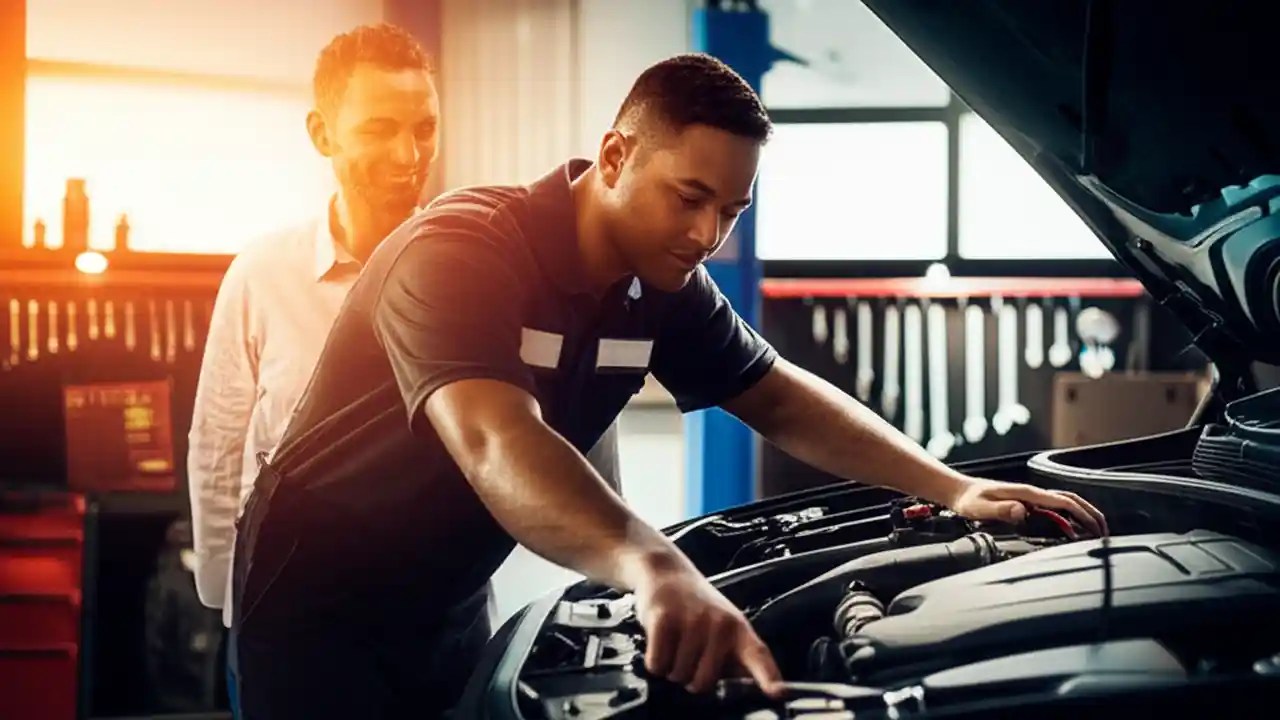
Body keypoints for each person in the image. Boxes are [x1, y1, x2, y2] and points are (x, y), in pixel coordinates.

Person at [229, 53, 1108, 719]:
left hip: (449, 594)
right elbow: (496, 438)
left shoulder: (666, 284)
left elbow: (775, 391)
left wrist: (951, 484)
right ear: (615, 155)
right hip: (317, 597)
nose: (707, 233)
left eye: (731, 210)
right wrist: (656, 564)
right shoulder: (461, 252)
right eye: (689, 196)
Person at [186, 22, 621, 716]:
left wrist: (611, 567)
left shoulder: (491, 271)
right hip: (298, 607)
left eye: (424, 128)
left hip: (445, 612)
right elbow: (218, 443)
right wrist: (229, 599)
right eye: (379, 129)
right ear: (322, 134)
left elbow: (569, 411)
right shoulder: (263, 274)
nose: (407, 153)